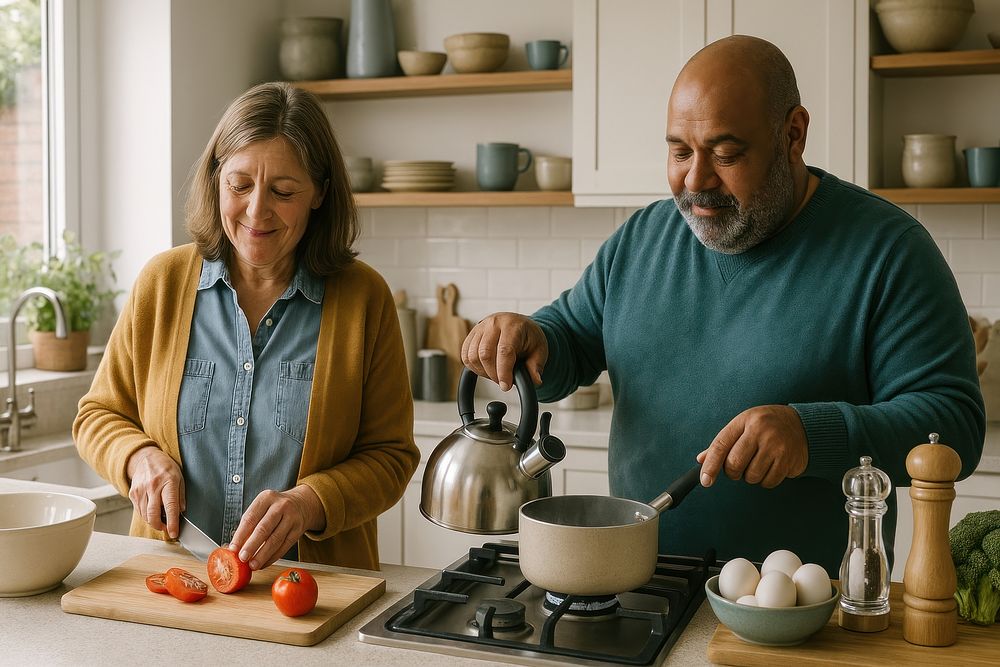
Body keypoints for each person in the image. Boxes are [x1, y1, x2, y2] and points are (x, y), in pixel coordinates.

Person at [461, 36, 985, 575]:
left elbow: (955, 427)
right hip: (643, 587)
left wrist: (811, 435)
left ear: (793, 135)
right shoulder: (642, 239)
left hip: (809, 612)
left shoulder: (888, 251)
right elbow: (568, 339)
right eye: (680, 152)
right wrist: (530, 337)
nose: (695, 181)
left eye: (727, 154)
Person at [74, 82, 419, 571]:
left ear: (319, 192)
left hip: (310, 596)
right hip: (174, 585)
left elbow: (391, 457)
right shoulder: (163, 283)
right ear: (216, 179)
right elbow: (97, 416)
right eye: (239, 185)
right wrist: (138, 458)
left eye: (283, 191)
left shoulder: (364, 298)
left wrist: (311, 503)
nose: (257, 211)